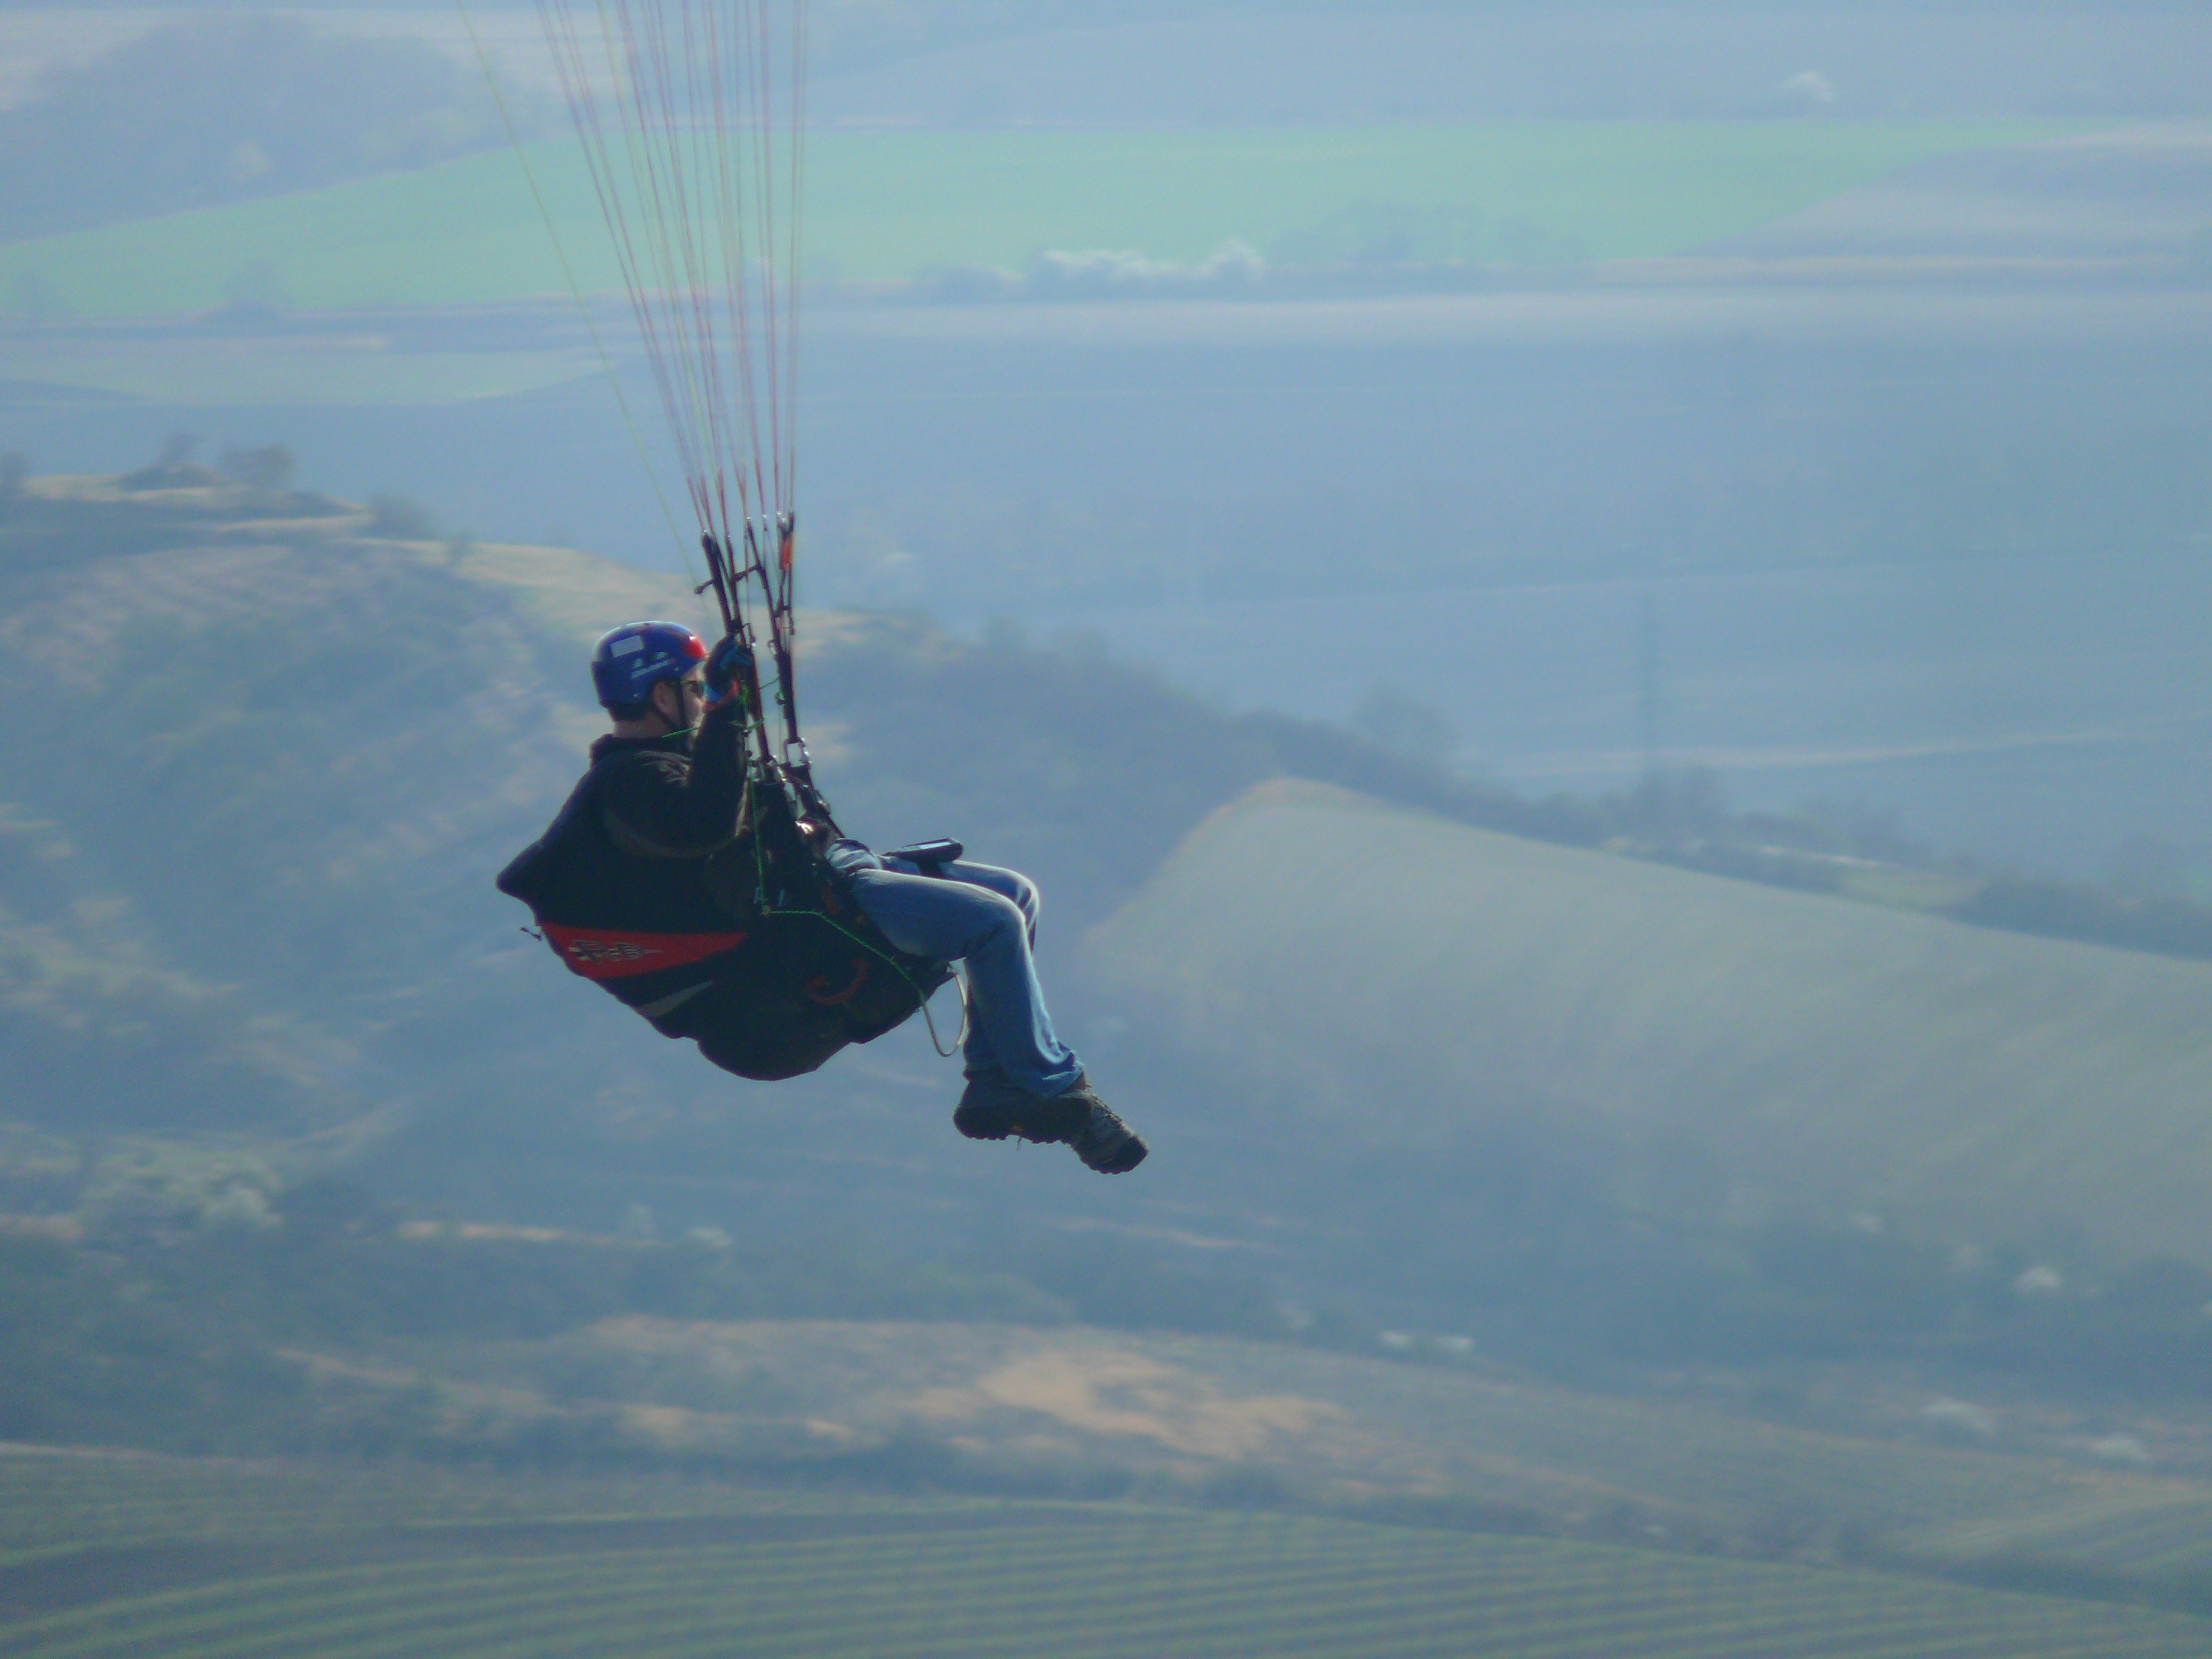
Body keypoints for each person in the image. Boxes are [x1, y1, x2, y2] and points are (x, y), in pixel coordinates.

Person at [497, 620, 1146, 1175]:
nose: (700, 699)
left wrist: (725, 722)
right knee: (992, 921)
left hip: (831, 878)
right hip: (806, 930)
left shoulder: (673, 765)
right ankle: (1053, 1087)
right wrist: (727, 711)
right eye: (693, 688)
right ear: (662, 695)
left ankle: (994, 1083)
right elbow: (705, 822)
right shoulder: (630, 784)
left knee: (1014, 894)